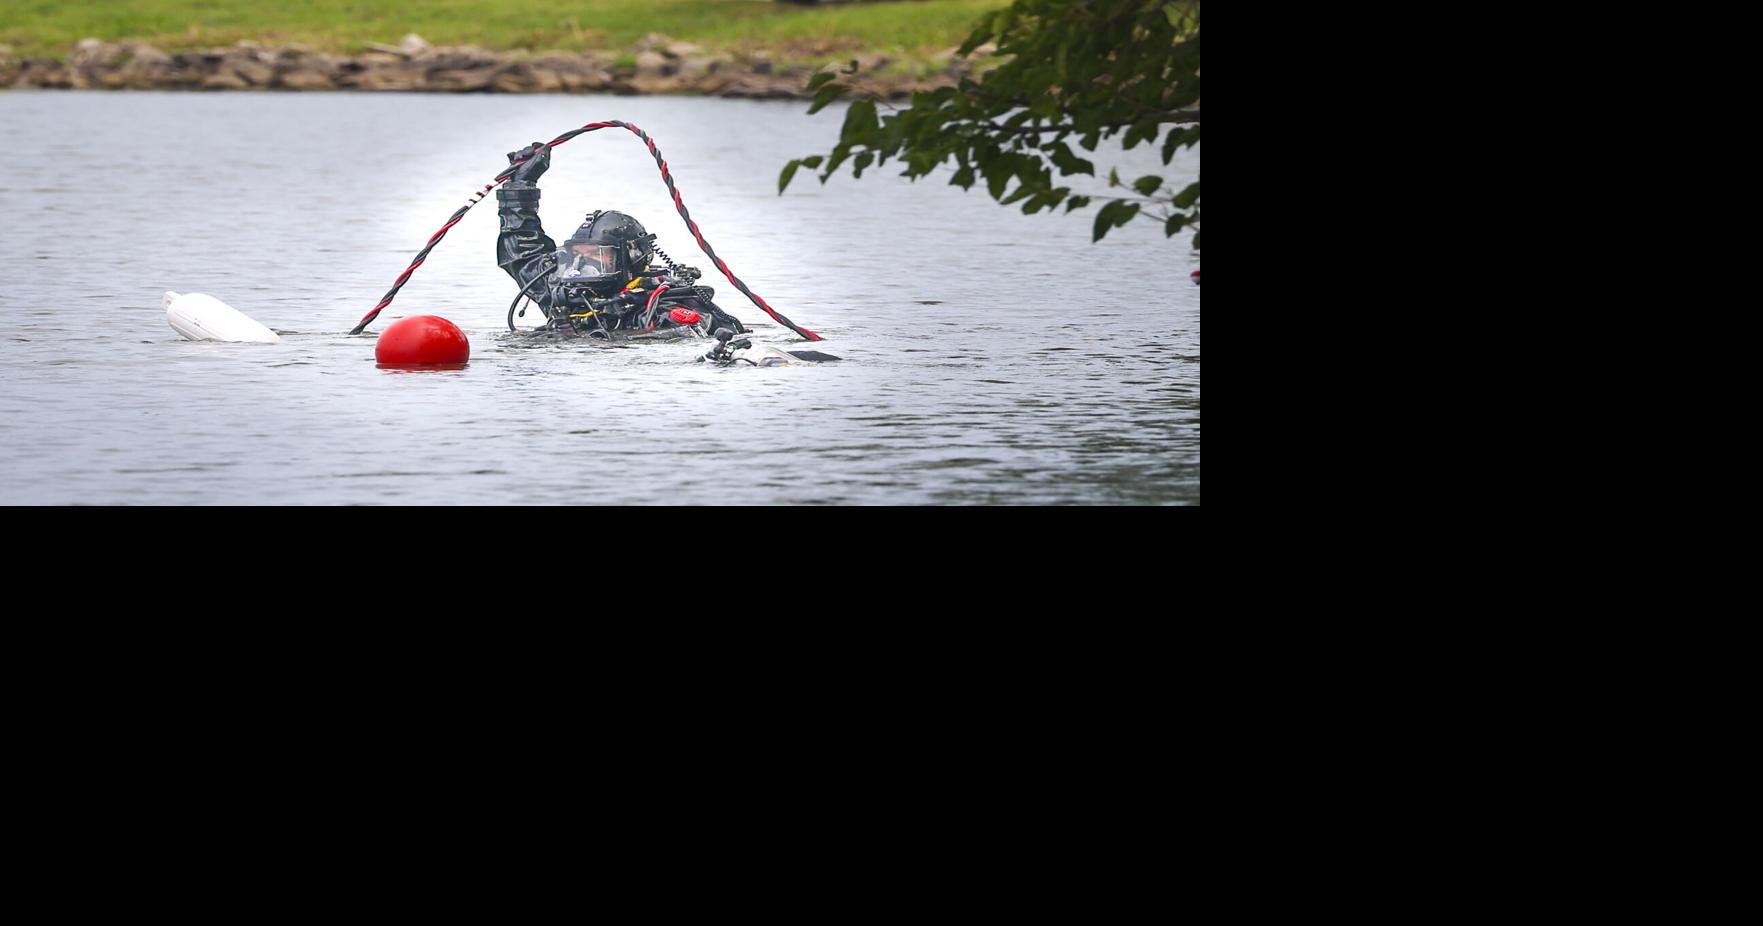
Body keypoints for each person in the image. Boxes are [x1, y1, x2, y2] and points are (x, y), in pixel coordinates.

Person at [495, 141, 747, 337]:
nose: (585, 265)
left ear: (631, 259)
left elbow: (695, 332)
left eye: (598, 258)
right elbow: (521, 248)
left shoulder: (661, 305)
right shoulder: (563, 292)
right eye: (578, 256)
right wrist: (519, 185)